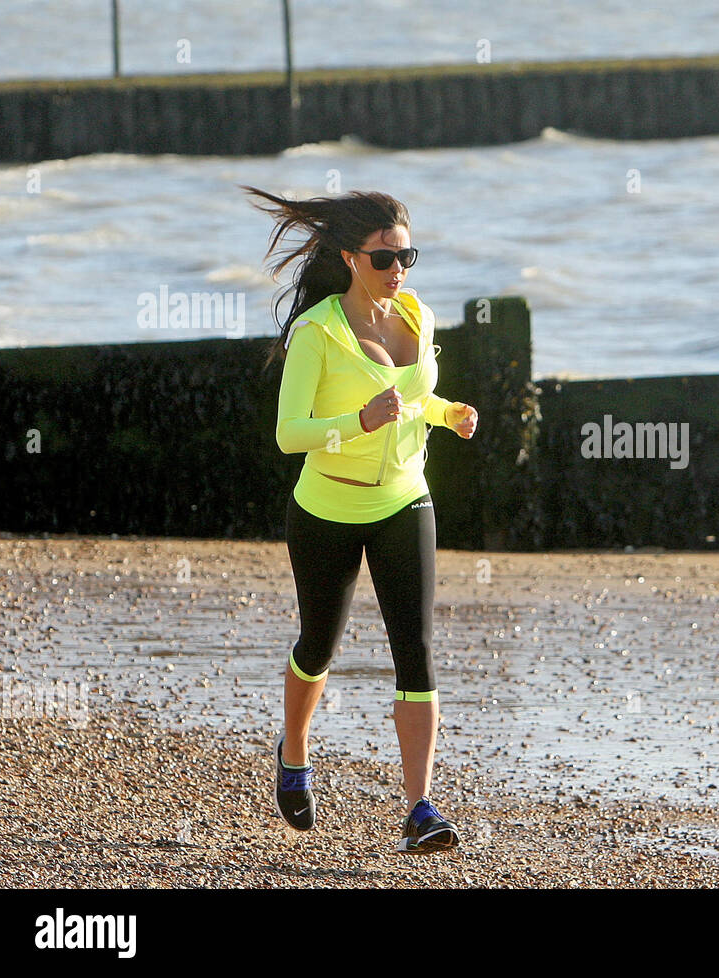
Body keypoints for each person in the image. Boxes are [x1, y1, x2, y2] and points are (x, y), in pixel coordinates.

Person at [243, 185, 477, 854]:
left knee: (418, 654)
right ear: (348, 258)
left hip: (405, 499)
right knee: (319, 645)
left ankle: (420, 809)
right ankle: (293, 753)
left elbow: (417, 399)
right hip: (328, 509)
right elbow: (290, 434)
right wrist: (358, 422)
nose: (398, 269)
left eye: (407, 255)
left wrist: (448, 413)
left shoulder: (417, 317)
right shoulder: (318, 332)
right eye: (383, 258)